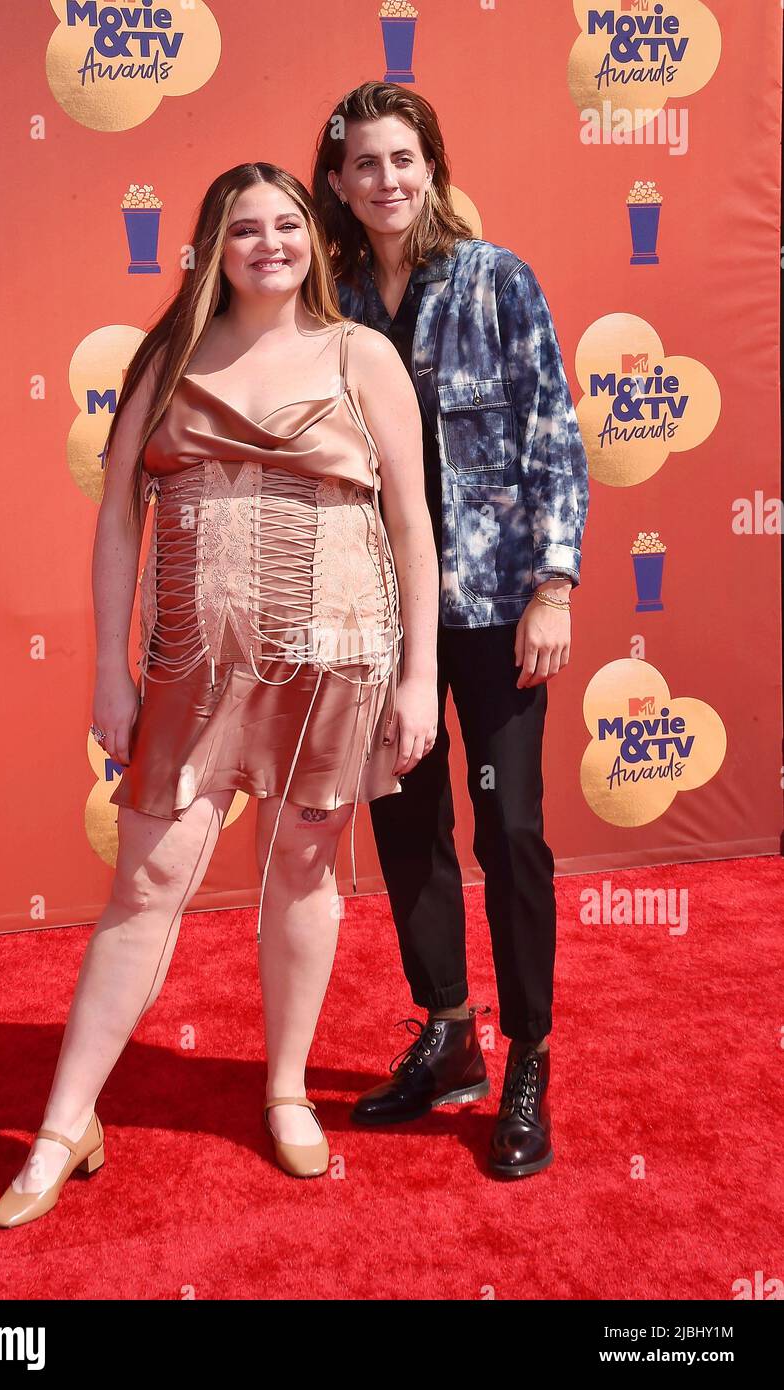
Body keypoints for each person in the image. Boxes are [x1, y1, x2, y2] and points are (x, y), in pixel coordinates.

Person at [0, 164, 438, 1227]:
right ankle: (63, 1122)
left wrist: (417, 674)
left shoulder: (358, 354)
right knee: (145, 887)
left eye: (287, 224)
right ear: (211, 245)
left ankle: (282, 1089)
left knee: (300, 867)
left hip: (335, 657)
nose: (269, 243)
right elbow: (115, 523)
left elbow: (413, 524)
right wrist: (111, 669)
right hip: (192, 668)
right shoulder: (169, 353)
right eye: (244, 229)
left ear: (311, 240)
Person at [311, 81, 589, 1178]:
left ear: (432, 164)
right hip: (379, 614)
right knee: (403, 826)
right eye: (364, 163)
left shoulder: (494, 280)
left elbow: (553, 433)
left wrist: (554, 586)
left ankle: (526, 1054)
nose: (386, 179)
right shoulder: (327, 306)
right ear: (336, 181)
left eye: (403, 158)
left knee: (508, 828)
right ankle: (446, 1030)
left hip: (496, 610)